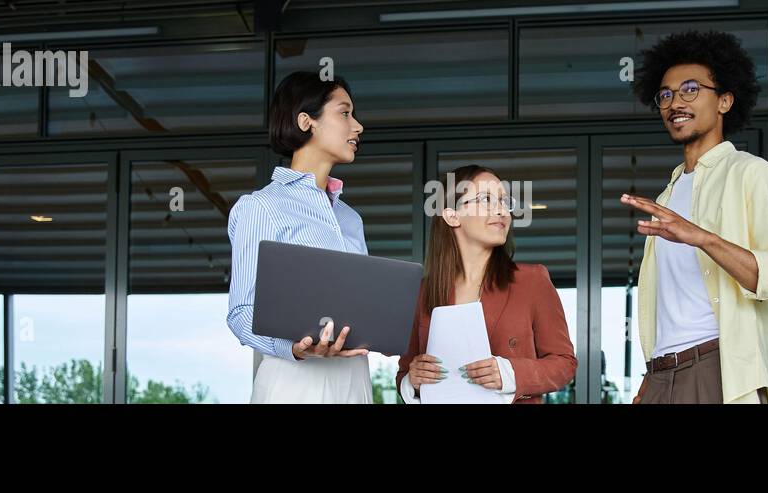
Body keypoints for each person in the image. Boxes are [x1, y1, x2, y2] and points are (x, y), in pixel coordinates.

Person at [623, 30, 768, 404]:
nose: (676, 102)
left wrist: (703, 238)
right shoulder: (668, 193)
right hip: (660, 376)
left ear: (724, 100)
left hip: (715, 371)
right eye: (666, 94)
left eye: (691, 89)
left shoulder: (751, 173)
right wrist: (651, 380)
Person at [226, 71, 371, 403]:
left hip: (355, 380)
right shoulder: (261, 207)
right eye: (345, 112)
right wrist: (293, 347)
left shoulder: (351, 219)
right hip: (295, 383)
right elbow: (242, 312)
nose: (358, 126)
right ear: (307, 121)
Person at [396, 165, 577, 404]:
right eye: (486, 200)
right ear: (452, 215)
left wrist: (510, 373)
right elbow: (404, 373)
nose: (501, 210)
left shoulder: (532, 280)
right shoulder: (423, 292)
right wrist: (412, 380)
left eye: (504, 201)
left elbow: (564, 363)